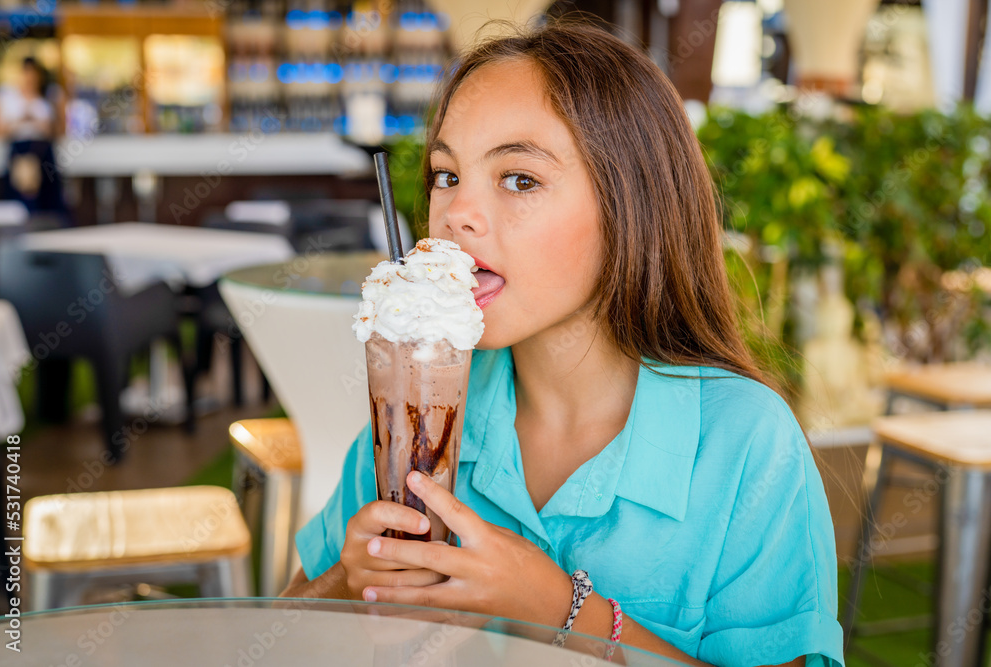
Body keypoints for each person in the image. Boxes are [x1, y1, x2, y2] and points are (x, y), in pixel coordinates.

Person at [283, 20, 845, 667]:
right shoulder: (415, 414)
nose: (456, 212)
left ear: (630, 203)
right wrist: (347, 583)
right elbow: (265, 637)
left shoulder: (744, 441)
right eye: (446, 174)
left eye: (519, 178)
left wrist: (560, 609)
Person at [0, 57, 67, 220]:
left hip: (42, 151)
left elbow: (57, 130)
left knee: (46, 199)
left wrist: (40, 122)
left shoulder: (48, 96)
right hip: (20, 151)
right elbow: (2, 131)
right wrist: (20, 121)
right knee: (22, 195)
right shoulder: (9, 98)